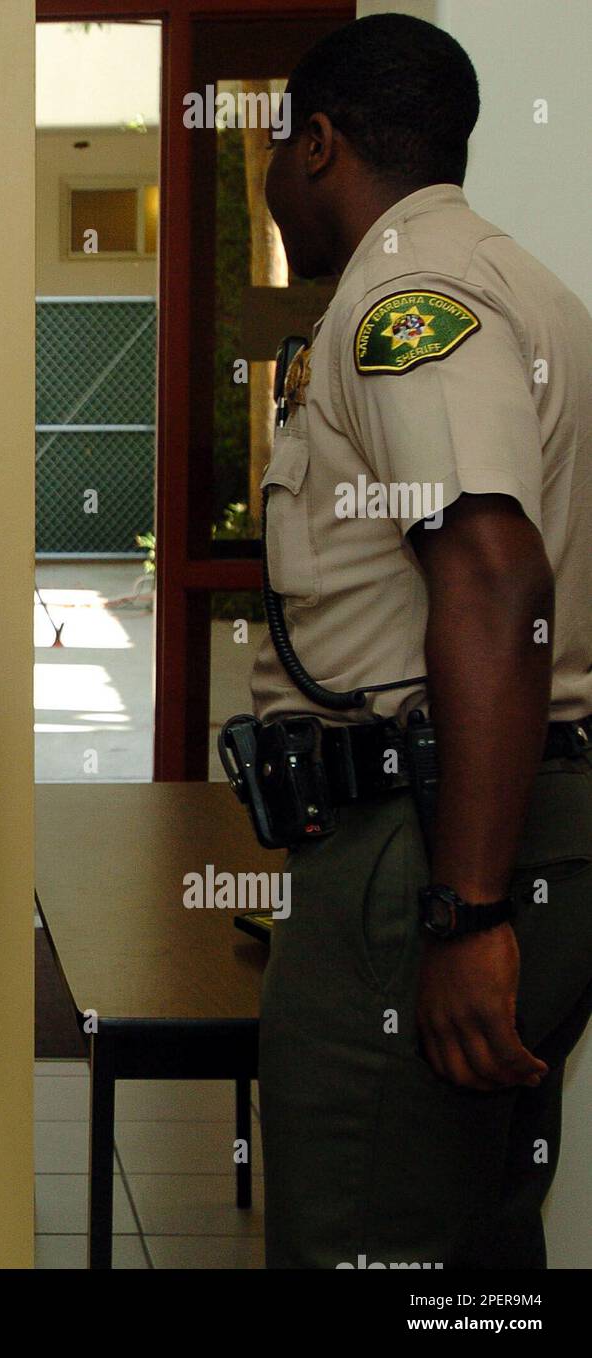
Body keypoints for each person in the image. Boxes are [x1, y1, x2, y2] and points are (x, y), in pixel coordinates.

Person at [250, 14, 592, 1268]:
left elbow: (495, 581)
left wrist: (464, 913)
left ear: (320, 144)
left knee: (362, 1236)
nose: (275, 182)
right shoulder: (519, 280)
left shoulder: (408, 300)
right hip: (498, 817)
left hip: (427, 838)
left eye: (281, 152)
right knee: (472, 1236)